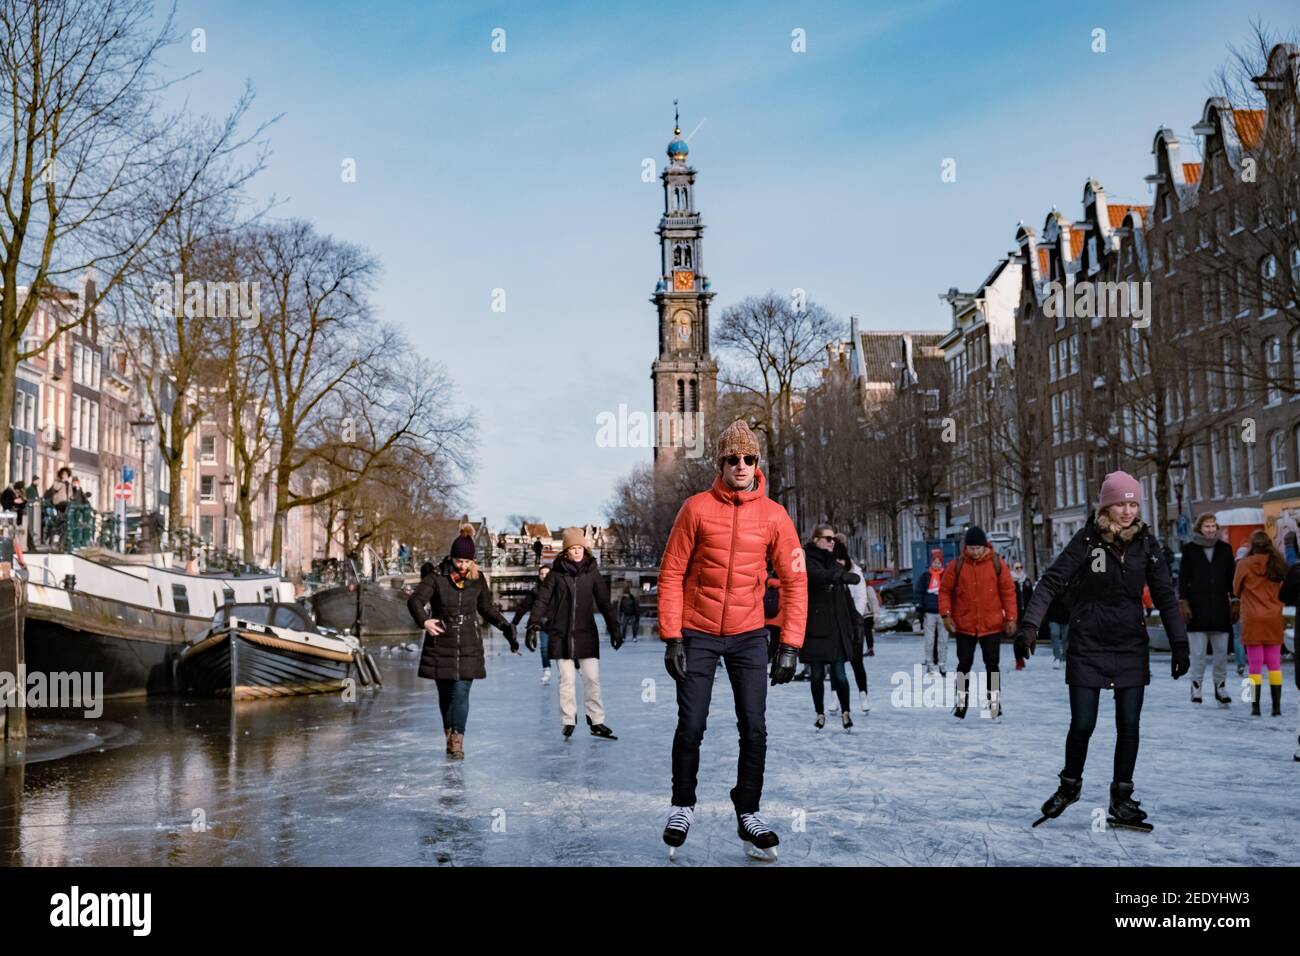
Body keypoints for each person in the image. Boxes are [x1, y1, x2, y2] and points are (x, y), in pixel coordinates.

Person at [657, 420, 807, 860]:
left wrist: (790, 645)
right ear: (720, 463)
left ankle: (749, 811)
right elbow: (671, 573)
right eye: (732, 459)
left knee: (754, 727)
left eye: (749, 458)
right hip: (697, 632)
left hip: (747, 635)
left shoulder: (775, 515)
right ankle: (682, 805)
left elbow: (795, 581)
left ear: (757, 463)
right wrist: (671, 637)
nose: (741, 466)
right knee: (692, 724)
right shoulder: (695, 509)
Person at [1017, 471, 1189, 831]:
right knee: (1083, 723)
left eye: (1132, 503)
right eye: (1119, 504)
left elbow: (1164, 597)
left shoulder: (1147, 545)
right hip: (1087, 644)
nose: (1126, 511)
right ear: (1106, 506)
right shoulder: (1087, 541)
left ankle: (1121, 799)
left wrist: (1179, 643)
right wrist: (1030, 626)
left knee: (1129, 726)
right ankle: (1069, 786)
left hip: (1129, 644)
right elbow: (1050, 582)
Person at [405, 523, 518, 760]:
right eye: (459, 561)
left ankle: (458, 739)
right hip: (441, 640)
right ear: (452, 558)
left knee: (461, 692)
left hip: (469, 642)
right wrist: (425, 621)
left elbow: (486, 608)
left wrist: (505, 626)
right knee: (446, 695)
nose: (463, 566)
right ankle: (449, 733)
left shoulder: (478, 580)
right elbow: (415, 601)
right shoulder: (437, 577)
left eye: (468, 562)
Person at [527, 527, 622, 739]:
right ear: (566, 551)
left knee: (592, 678)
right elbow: (542, 599)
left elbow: (605, 603)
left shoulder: (592, 573)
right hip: (560, 633)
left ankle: (596, 720)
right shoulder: (556, 574)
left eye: (580, 547)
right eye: (573, 548)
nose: (577, 551)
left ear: (584, 549)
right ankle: (569, 719)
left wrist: (615, 628)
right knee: (567, 679)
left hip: (586, 632)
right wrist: (533, 625)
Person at [939, 526, 1017, 720]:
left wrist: (1011, 618)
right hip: (965, 624)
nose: (974, 552)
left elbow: (1008, 592)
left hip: (991, 625)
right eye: (971, 548)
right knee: (964, 664)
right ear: (966, 548)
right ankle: (960, 703)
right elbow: (945, 591)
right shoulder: (956, 565)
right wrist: (946, 615)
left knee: (992, 664)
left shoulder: (997, 564)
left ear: (985, 547)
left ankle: (994, 703)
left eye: (978, 548)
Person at [800, 529, 858, 730]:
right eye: (828, 538)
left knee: (840, 674)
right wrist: (839, 576)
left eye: (834, 538)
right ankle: (819, 712)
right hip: (816, 627)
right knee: (816, 675)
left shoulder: (834, 561)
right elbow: (816, 575)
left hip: (835, 628)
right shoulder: (807, 559)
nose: (832, 542)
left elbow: (846, 595)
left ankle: (846, 711)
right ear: (816, 540)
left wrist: (855, 623)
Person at [1178, 513, 1236, 707]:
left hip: (1219, 608)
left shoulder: (1225, 549)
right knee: (1198, 654)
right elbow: (1183, 579)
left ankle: (1220, 687)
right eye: (1207, 526)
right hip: (1196, 609)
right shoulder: (1190, 550)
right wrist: (1183, 602)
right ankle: (1196, 687)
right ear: (1199, 528)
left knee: (1221, 652)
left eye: (1213, 526)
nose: (1210, 530)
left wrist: (1235, 600)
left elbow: (1232, 579)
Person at [1232, 531, 1287, 718]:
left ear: (1252, 545)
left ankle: (1254, 706)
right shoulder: (1278, 563)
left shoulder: (1244, 564)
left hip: (1252, 618)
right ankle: (1276, 707)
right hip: (1274, 617)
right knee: (1274, 664)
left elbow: (1236, 590)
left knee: (1254, 666)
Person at [834, 538, 871, 713]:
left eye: (841, 558)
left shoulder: (856, 572)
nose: (839, 562)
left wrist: (855, 617)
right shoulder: (831, 574)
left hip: (854, 623)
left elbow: (861, 597)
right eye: (836, 559)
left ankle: (863, 695)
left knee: (857, 662)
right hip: (836, 624)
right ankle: (835, 698)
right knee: (836, 663)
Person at [511, 563, 553, 684]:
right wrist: (514, 623)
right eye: (541, 574)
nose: (544, 576)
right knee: (544, 647)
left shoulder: (559, 589)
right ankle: (546, 669)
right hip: (543, 624)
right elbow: (523, 607)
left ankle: (575, 666)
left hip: (559, 624)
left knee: (563, 648)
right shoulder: (535, 591)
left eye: (547, 574)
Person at [915, 548, 948, 676]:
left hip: (943, 613)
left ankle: (942, 664)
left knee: (943, 640)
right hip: (929, 612)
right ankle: (929, 664)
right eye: (934, 562)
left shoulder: (946, 576)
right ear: (931, 562)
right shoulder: (925, 576)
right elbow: (919, 592)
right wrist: (919, 607)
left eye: (939, 562)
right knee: (929, 640)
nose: (936, 564)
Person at [1011, 561, 1033, 671]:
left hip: (1026, 614)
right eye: (1017, 568)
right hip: (1015, 613)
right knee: (1017, 638)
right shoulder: (1010, 581)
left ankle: (1022, 657)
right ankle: (1019, 660)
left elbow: (1031, 596)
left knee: (1024, 638)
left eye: (1020, 567)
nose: (1019, 569)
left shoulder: (1027, 581)